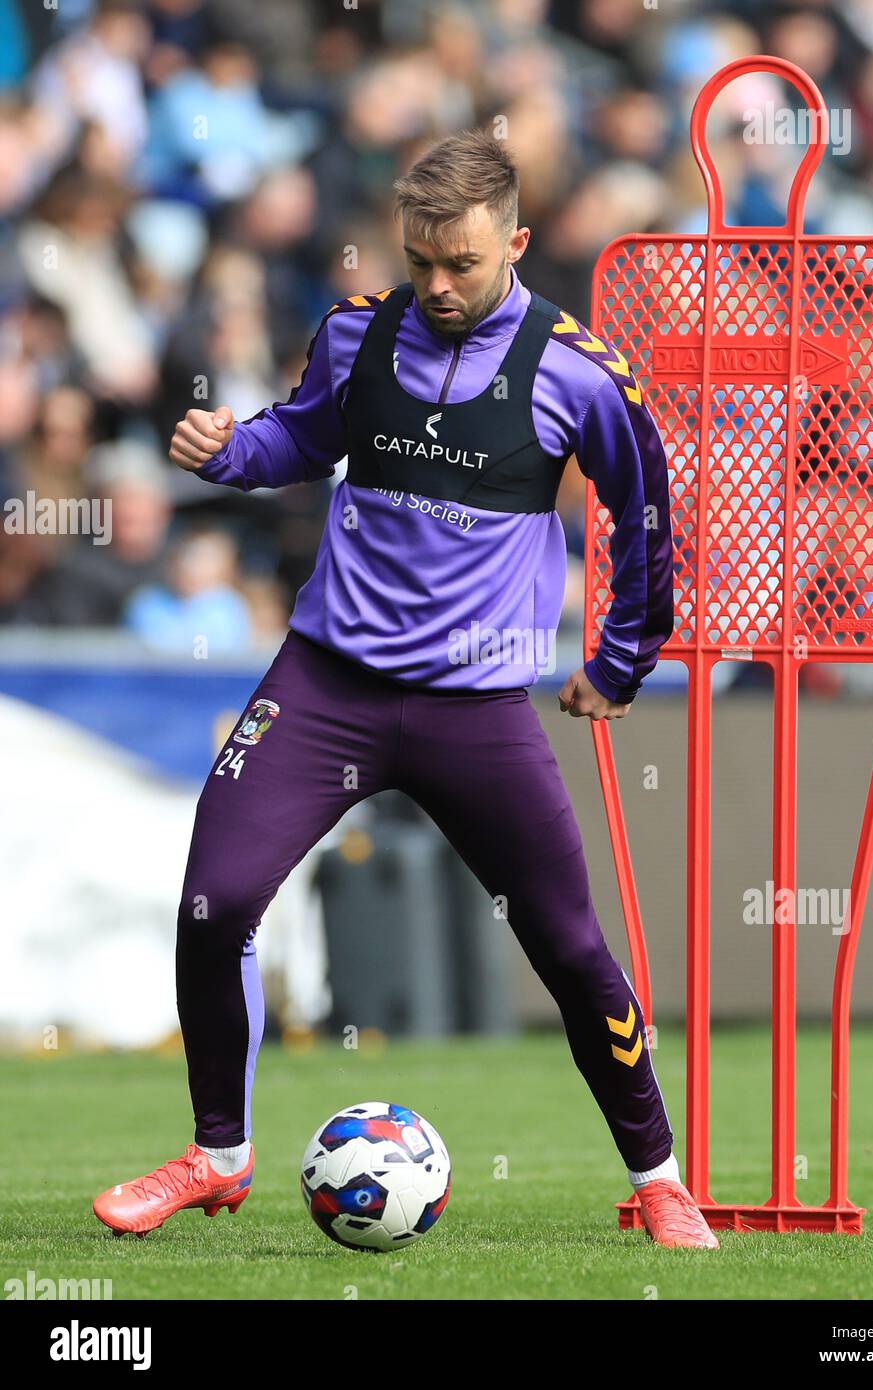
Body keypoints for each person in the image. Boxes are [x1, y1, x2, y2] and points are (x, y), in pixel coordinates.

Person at [92, 128, 718, 1250]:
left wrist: (619, 662)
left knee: (570, 947)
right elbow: (300, 436)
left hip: (474, 712)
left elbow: (653, 517)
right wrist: (231, 449)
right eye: (419, 260)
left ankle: (658, 1177)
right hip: (323, 684)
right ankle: (217, 1156)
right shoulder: (355, 333)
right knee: (213, 901)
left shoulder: (579, 372)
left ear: (515, 242)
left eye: (460, 265)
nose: (435, 285)